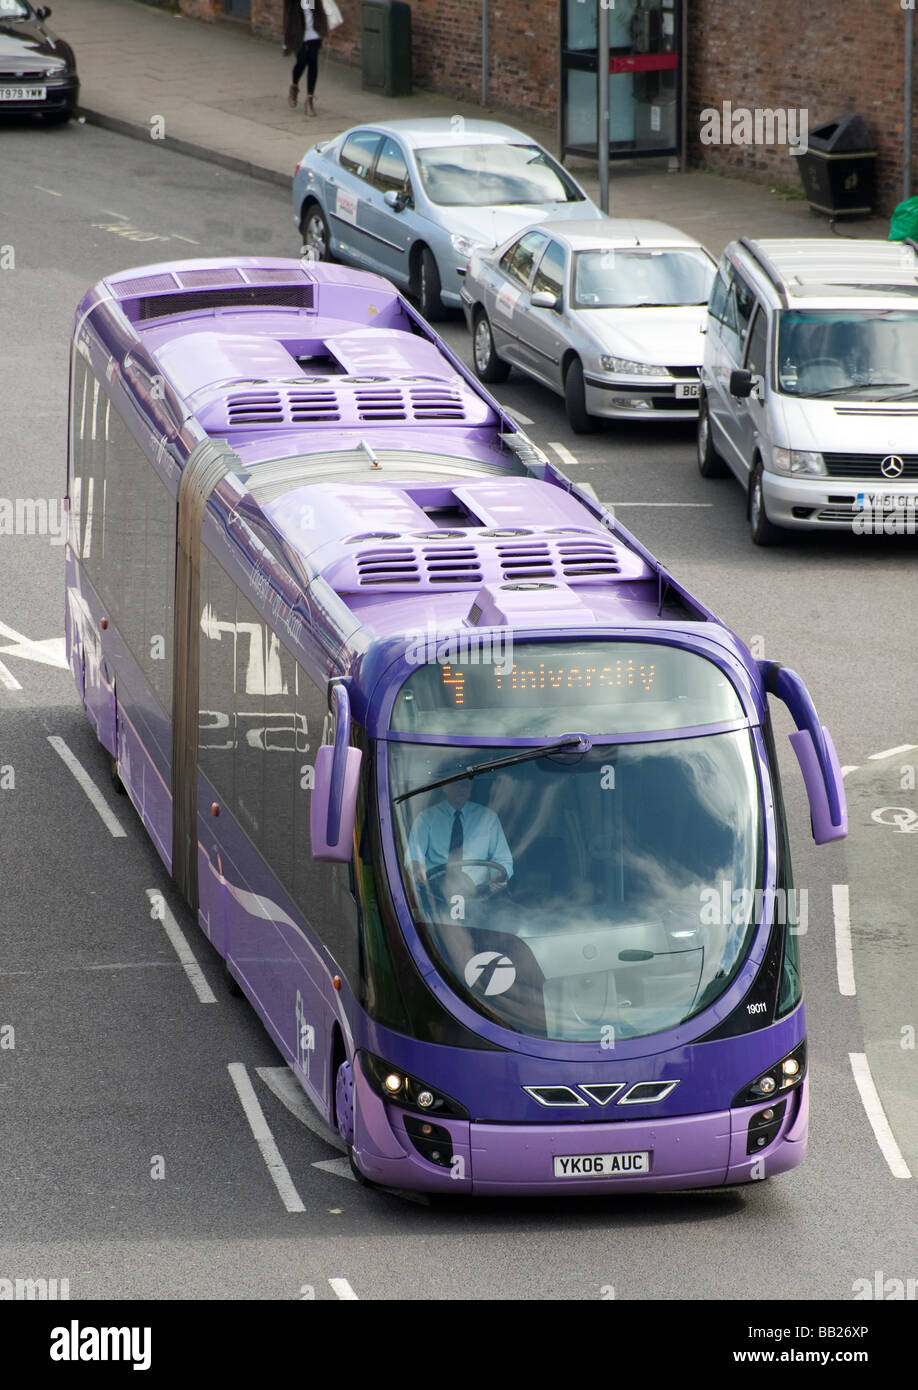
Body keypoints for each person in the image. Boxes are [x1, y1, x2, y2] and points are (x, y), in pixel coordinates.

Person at [405, 781, 513, 904]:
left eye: (465, 784)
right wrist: (417, 868)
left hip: (479, 898)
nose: (461, 789)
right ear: (444, 787)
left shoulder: (488, 818)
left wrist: (498, 876)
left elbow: (503, 859)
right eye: (455, 783)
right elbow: (414, 854)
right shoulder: (426, 818)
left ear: (471, 787)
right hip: (436, 897)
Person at [288, 0, 328, 118]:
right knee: (301, 61)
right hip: (299, 33)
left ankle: (309, 99)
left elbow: (319, 11)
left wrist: (323, 29)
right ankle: (294, 86)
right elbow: (288, 16)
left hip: (314, 32)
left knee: (313, 62)